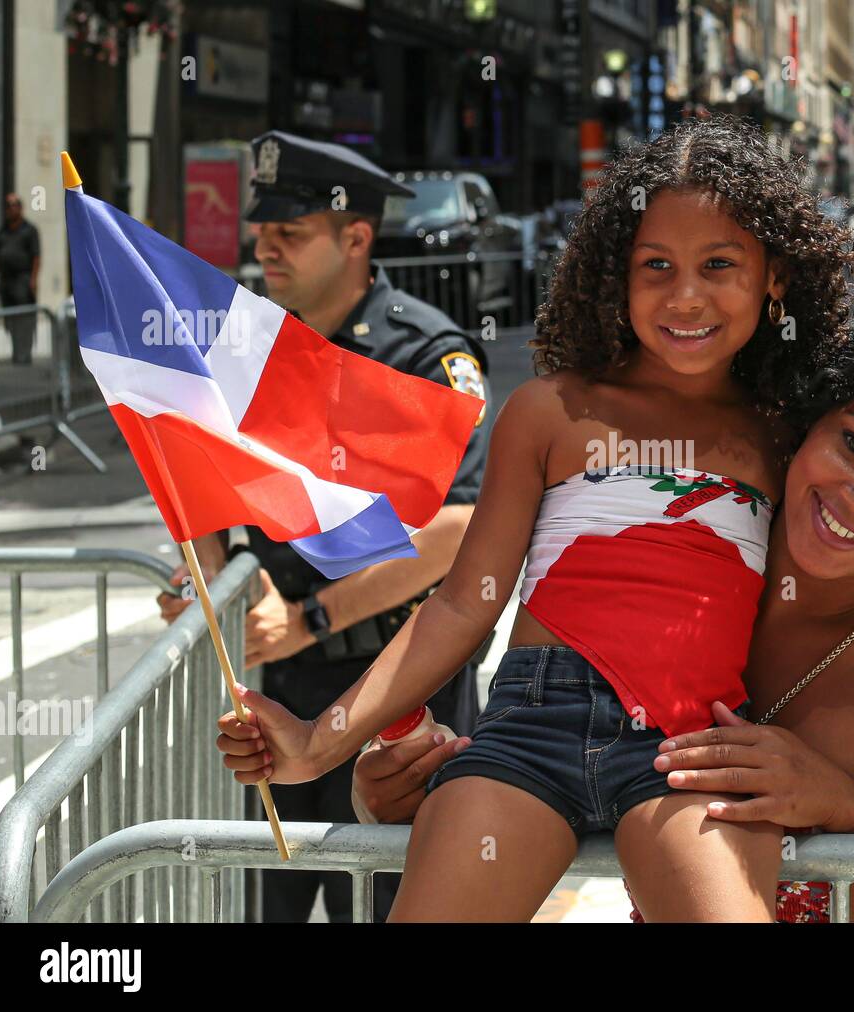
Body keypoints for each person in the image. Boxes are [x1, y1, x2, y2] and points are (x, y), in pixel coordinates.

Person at [214, 114, 854, 921]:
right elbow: (466, 602)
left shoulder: (789, 436)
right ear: (617, 273)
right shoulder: (549, 413)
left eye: (719, 265)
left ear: (774, 275)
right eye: (656, 266)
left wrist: (828, 775)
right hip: (527, 735)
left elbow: (827, 604)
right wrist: (317, 742)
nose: (685, 295)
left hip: (691, 747)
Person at [350, 305, 854, 922]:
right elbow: (564, 765)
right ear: (805, 427)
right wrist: (422, 794)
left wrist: (846, 813)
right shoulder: (674, 579)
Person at [163, 131, 492, 922]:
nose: (263, 246)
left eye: (290, 231)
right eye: (262, 228)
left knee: (396, 905)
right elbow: (206, 491)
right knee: (272, 904)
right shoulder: (247, 350)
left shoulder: (424, 355)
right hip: (281, 702)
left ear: (355, 236)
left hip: (401, 698)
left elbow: (460, 526)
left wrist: (312, 619)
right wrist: (205, 585)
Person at [0, 193, 41, 364]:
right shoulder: (2, 231)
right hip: (6, 281)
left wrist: (33, 280)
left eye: (13, 205)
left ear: (20, 208)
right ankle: (16, 351)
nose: (10, 209)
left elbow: (36, 257)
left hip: (22, 279)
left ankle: (24, 353)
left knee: (24, 318)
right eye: (8, 205)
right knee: (10, 319)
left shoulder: (29, 230)